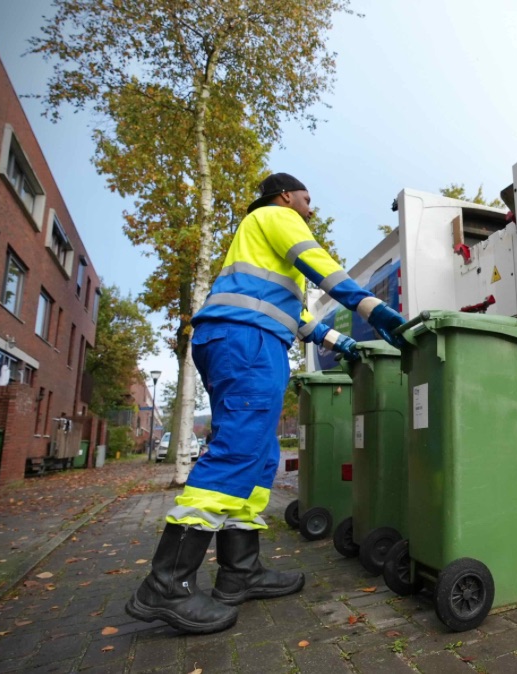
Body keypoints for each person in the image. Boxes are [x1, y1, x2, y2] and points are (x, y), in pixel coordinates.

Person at [125, 173, 407, 634]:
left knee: (258, 458)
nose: (310, 209)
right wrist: (374, 309)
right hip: (248, 341)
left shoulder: (259, 250)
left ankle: (240, 573)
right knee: (238, 450)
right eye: (306, 199)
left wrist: (342, 341)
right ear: (284, 196)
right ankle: (166, 582)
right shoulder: (276, 217)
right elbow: (322, 265)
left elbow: (300, 319)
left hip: (246, 340)